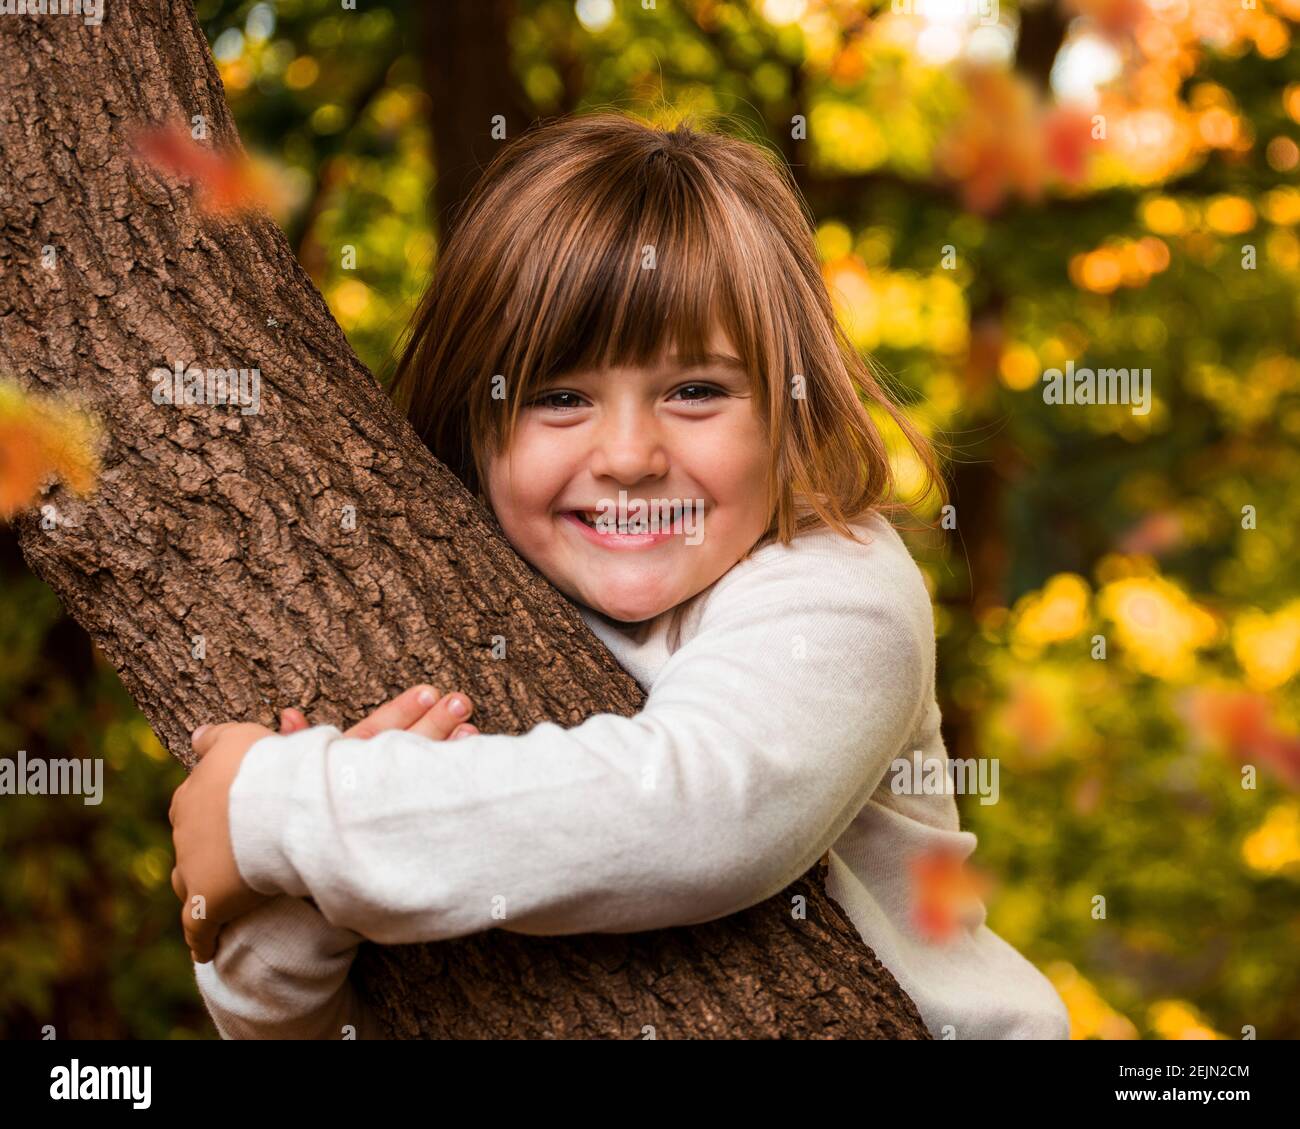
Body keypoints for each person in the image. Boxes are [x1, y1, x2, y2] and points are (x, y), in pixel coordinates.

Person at [170, 111, 1070, 1040]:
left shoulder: (837, 584)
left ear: (789, 412)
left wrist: (279, 809)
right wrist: (292, 906)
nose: (632, 455)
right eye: (560, 397)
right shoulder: (451, 606)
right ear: (475, 430)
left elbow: (703, 818)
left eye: (696, 391)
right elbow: (288, 1029)